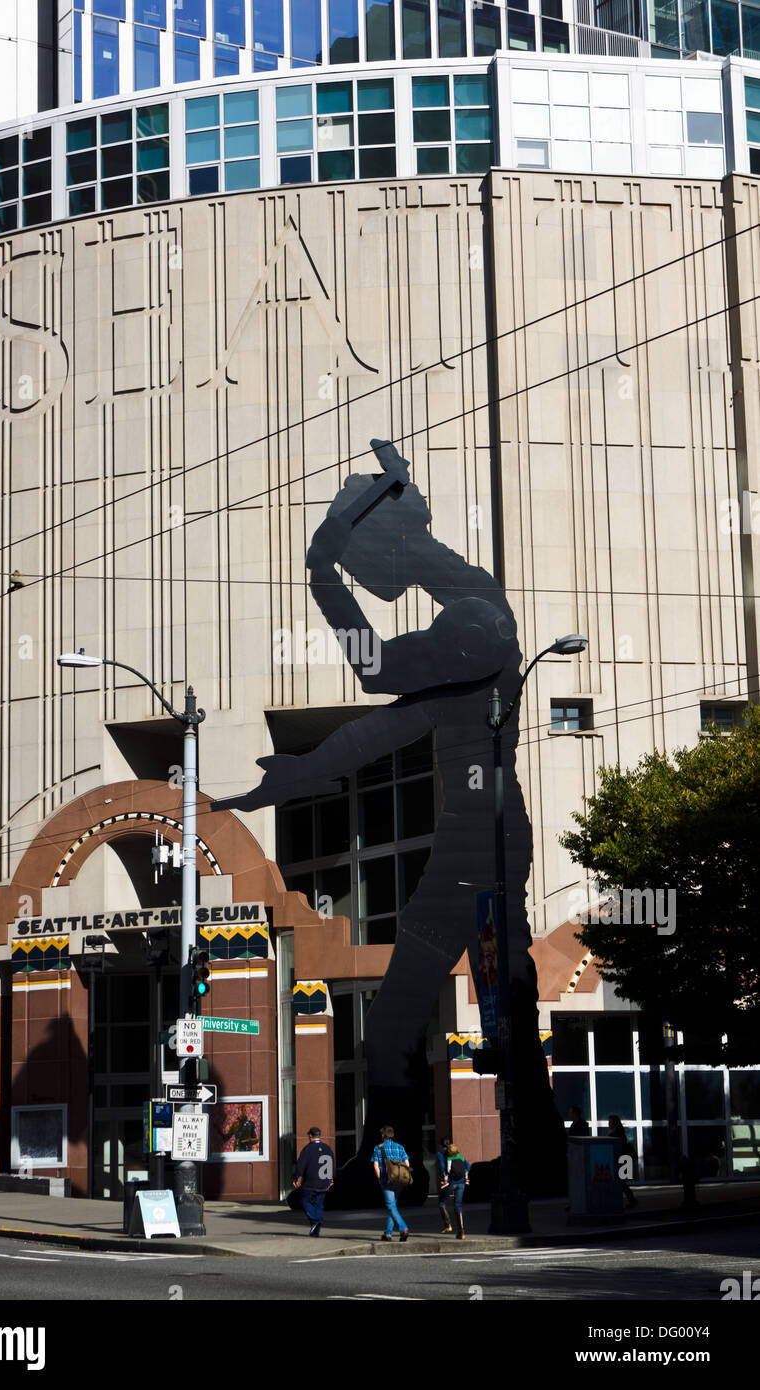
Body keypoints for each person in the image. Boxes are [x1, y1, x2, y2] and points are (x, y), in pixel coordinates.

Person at [212, 440, 566, 1201]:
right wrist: (298, 777)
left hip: (486, 849)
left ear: (395, 541)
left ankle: (489, 1162)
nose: (367, 580)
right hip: (473, 848)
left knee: (461, 1011)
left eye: (364, 559)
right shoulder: (470, 622)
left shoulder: (479, 619)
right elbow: (390, 725)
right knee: (433, 1018)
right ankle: (420, 1166)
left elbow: (376, 672)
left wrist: (320, 574)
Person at [292, 1126, 335, 1237]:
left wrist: (296, 1177)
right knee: (319, 1205)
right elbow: (331, 1164)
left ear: (310, 1136)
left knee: (304, 1201)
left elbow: (301, 1165)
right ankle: (315, 1231)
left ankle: (315, 1220)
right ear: (319, 1135)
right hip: (324, 1182)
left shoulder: (307, 1149)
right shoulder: (327, 1148)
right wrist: (331, 1178)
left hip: (311, 1182)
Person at [372, 1125, 411, 1242]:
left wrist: (380, 1179)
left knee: (390, 1206)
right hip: (399, 1180)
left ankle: (403, 1228)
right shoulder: (400, 1147)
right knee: (392, 1207)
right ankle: (387, 1233)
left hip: (387, 1180)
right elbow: (407, 1164)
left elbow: (376, 1166)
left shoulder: (379, 1148)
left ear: (383, 1135)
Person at [608, 1115, 638, 1208]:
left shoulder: (616, 1134)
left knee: (620, 1182)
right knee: (620, 1182)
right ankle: (631, 1200)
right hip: (623, 1160)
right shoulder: (620, 1133)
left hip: (621, 1160)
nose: (609, 1124)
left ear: (614, 1123)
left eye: (610, 1122)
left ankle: (630, 1200)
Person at [443, 1143, 471, 1239]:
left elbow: (448, 1171)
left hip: (453, 1183)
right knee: (458, 1205)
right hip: (462, 1183)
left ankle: (448, 1223)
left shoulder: (449, 1159)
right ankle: (461, 1231)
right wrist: (464, 1174)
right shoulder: (461, 1157)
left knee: (443, 1200)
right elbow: (468, 1166)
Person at [435, 1137, 453, 1233]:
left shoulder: (440, 1153)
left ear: (441, 1145)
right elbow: (467, 1165)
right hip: (458, 1181)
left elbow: (442, 1166)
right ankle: (461, 1229)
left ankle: (448, 1225)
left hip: (448, 1181)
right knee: (458, 1205)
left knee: (441, 1203)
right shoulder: (454, 1153)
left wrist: (444, 1175)